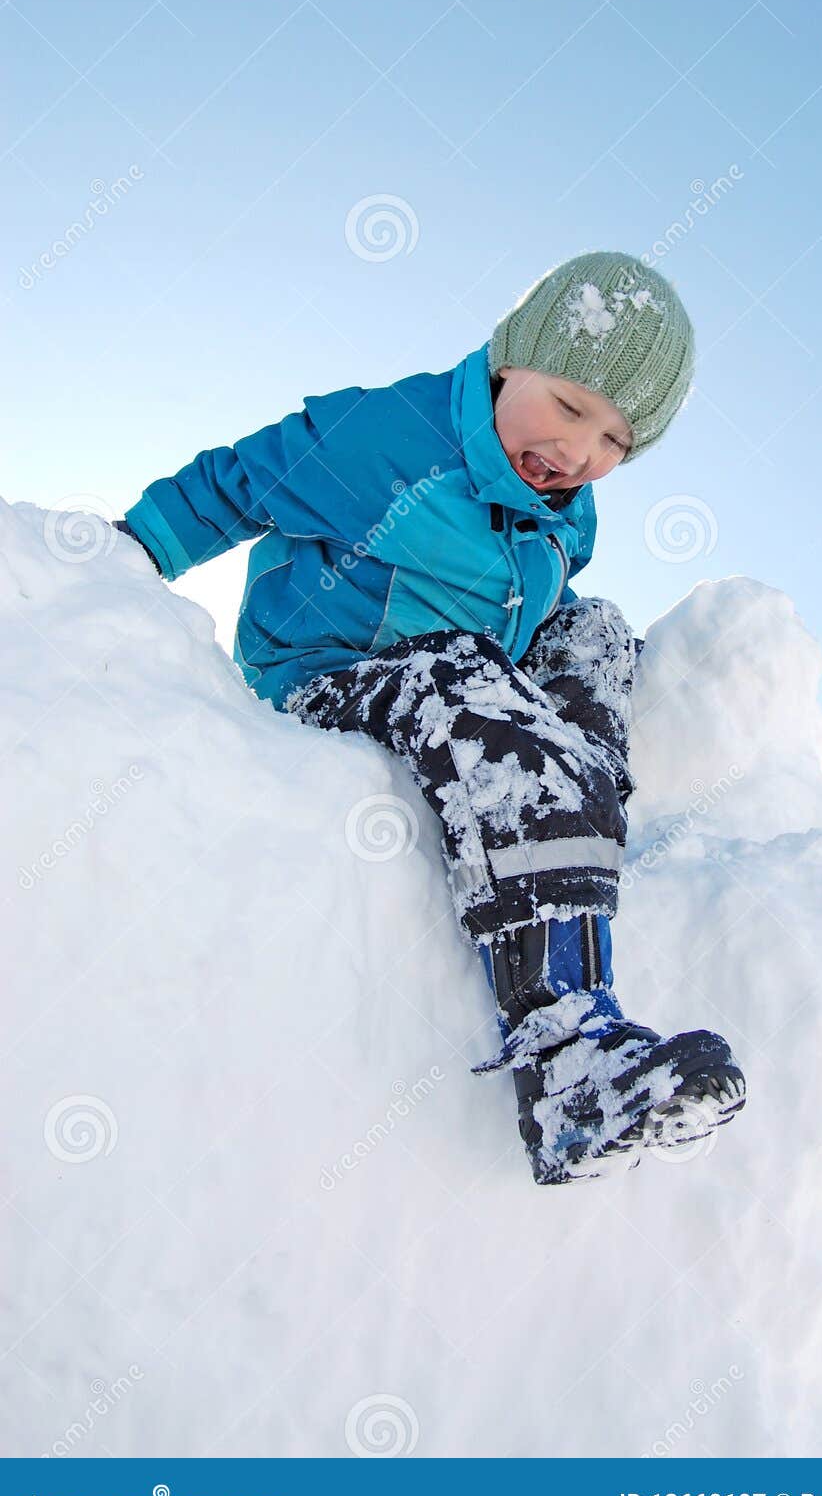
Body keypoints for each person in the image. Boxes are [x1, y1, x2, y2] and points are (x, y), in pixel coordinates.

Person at [113, 250, 746, 1185]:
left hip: (467, 678)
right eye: (569, 406)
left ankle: (576, 802)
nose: (581, 452)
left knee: (595, 628)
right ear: (510, 360)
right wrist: (119, 565)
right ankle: (567, 1058)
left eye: (617, 439)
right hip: (329, 677)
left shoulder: (569, 514)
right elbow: (234, 483)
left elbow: (534, 602)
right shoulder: (388, 439)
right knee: (460, 668)